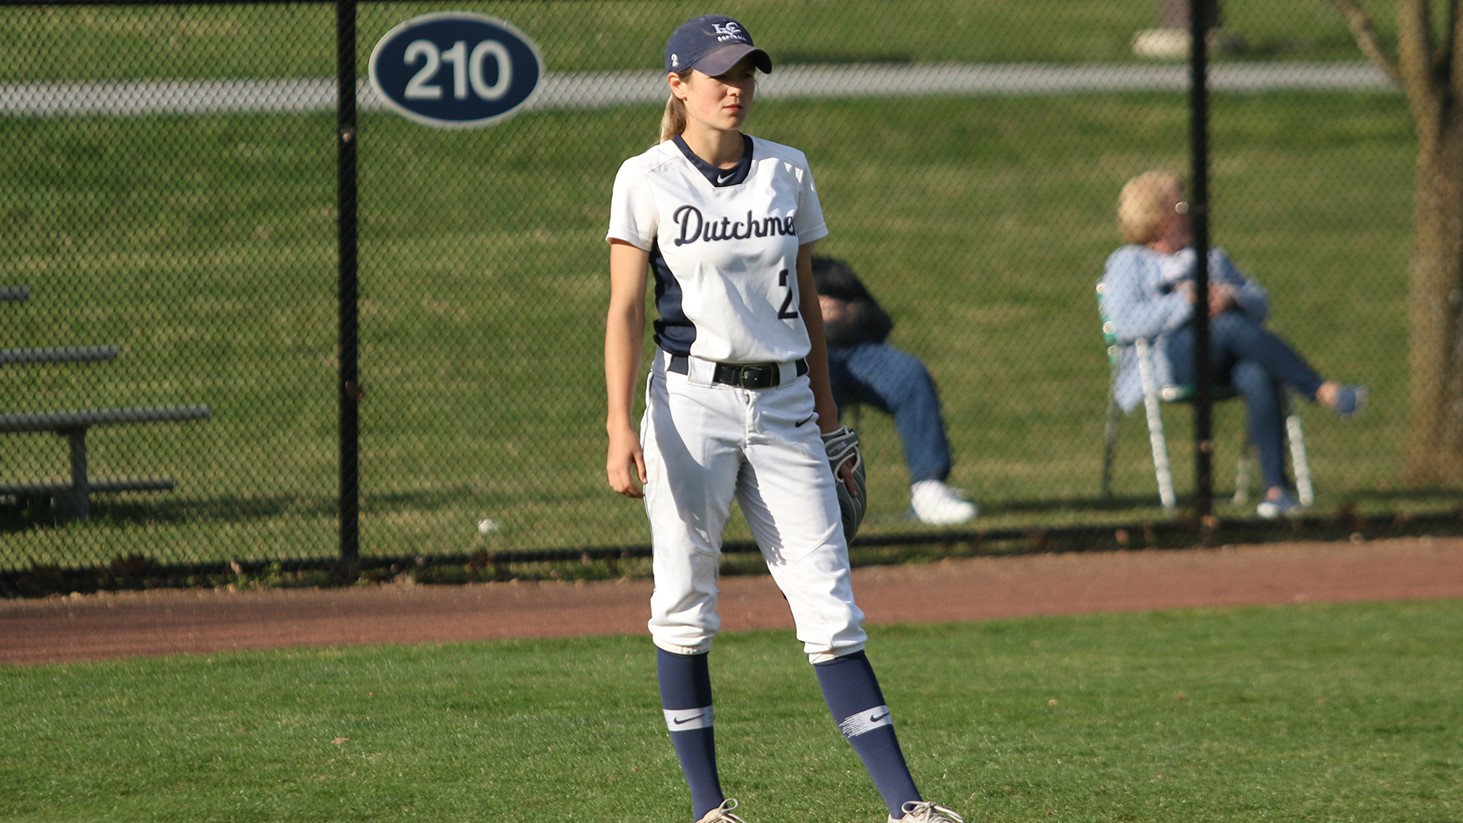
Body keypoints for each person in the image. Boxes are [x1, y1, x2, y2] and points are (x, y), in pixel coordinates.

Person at [603, 14, 964, 823]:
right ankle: (709, 808)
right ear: (678, 85)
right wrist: (617, 425)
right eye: (718, 75)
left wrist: (831, 421)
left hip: (788, 404)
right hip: (690, 400)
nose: (735, 89)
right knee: (684, 598)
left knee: (830, 603)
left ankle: (906, 806)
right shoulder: (647, 177)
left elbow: (806, 307)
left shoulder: (787, 171)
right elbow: (626, 308)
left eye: (745, 74)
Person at [1099, 170, 1365, 519]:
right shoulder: (1128, 262)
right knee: (1225, 328)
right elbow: (1124, 323)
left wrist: (1229, 297)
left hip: (1225, 356)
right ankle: (1322, 390)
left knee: (1256, 372)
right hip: (1168, 360)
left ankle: (1276, 493)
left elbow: (1261, 302)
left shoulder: (1210, 258)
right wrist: (1187, 303)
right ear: (1154, 215)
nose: (1190, 211)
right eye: (1180, 205)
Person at [812, 256, 978, 525]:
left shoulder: (832, 271)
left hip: (858, 352)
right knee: (818, 385)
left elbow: (880, 320)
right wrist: (810, 314)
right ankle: (819, 497)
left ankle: (929, 490)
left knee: (911, 374)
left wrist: (849, 313)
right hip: (807, 357)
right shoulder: (769, 270)